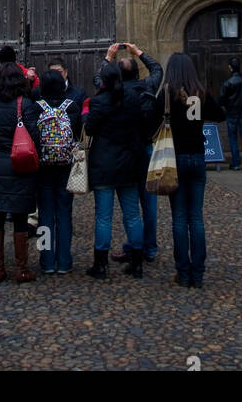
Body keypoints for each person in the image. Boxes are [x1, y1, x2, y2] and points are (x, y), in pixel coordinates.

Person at [153, 52, 225, 288]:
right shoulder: (200, 93)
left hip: (175, 160)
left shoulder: (166, 94)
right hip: (197, 158)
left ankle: (183, 272)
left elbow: (149, 122)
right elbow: (220, 115)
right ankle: (198, 272)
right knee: (196, 217)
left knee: (179, 218)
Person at [0, 61, 41, 282]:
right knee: (21, 218)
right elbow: (35, 136)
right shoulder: (26, 104)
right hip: (20, 166)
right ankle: (21, 269)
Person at [85, 60, 149, 279]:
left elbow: (90, 128)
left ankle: (100, 265)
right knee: (132, 215)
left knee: (104, 216)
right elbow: (143, 126)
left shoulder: (99, 102)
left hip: (104, 164)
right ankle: (137, 263)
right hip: (128, 163)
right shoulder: (132, 99)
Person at [109, 42, 162, 265]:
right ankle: (148, 247)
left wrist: (108, 57)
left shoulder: (114, 93)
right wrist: (138, 52)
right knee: (149, 204)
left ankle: (135, 245)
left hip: (125, 152)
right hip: (146, 149)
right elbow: (158, 69)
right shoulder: (148, 87)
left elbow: (98, 78)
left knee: (130, 206)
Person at [36, 69, 82, 274]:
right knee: (64, 215)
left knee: (45, 215)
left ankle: (46, 260)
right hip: (65, 167)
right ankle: (64, 260)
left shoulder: (36, 107)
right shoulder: (72, 107)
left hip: (43, 167)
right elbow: (78, 135)